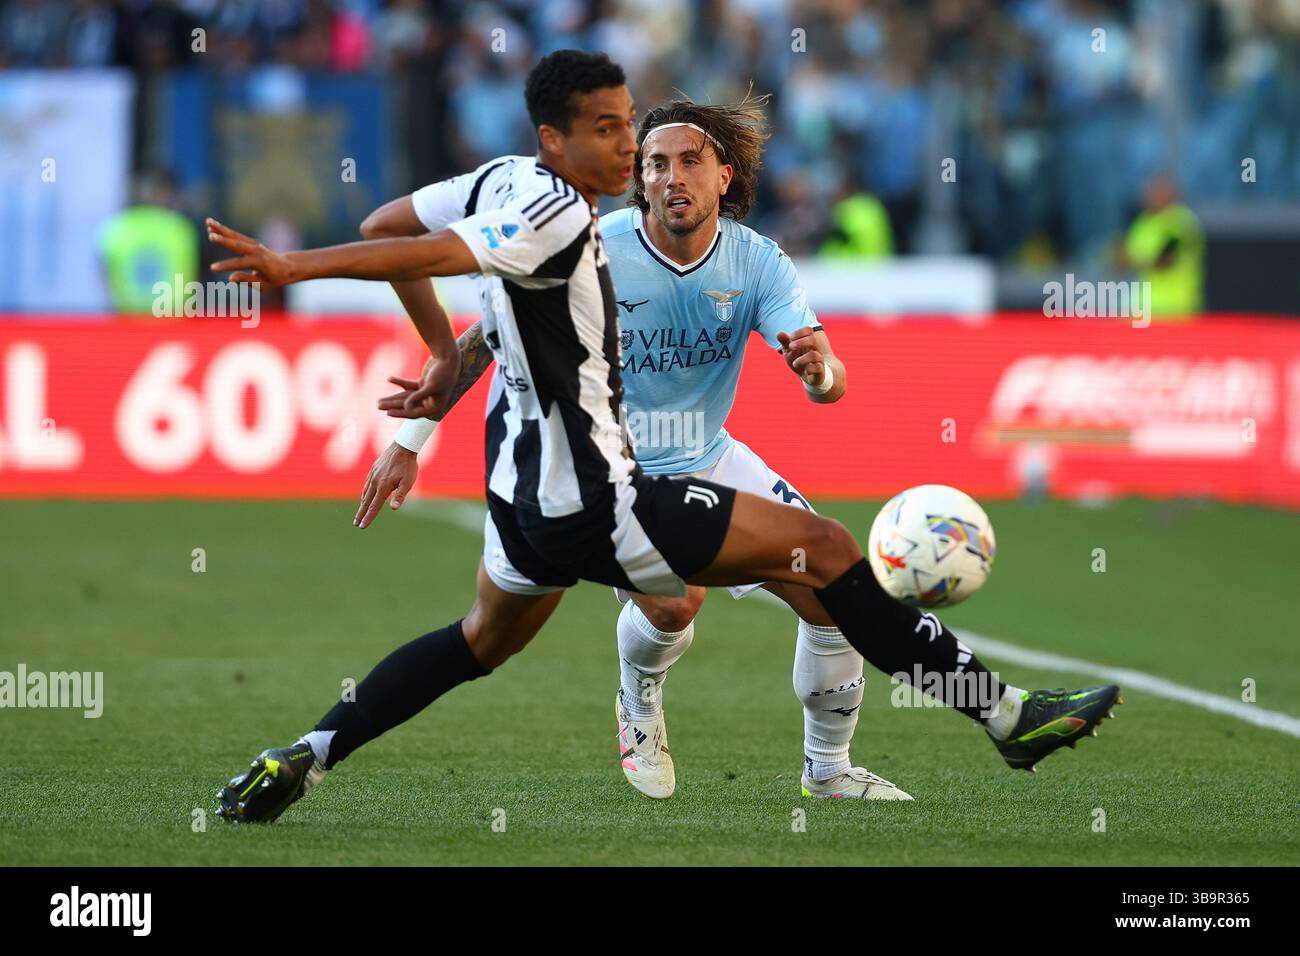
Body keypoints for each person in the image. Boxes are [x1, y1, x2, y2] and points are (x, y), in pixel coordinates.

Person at [206, 50, 1120, 824]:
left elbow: (390, 222)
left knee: (479, 640)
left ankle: (305, 755)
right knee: (830, 553)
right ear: (554, 144)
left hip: (520, 496)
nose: (630, 148)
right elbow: (427, 254)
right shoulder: (563, 216)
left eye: (629, 125)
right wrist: (294, 266)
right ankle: (1007, 718)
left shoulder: (496, 179)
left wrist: (440, 363)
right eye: (612, 133)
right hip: (602, 496)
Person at [359, 96, 909, 801]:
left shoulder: (759, 262)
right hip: (616, 472)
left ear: (725, 178)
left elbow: (827, 377)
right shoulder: (591, 249)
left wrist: (819, 373)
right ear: (638, 179)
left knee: (835, 596)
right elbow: (482, 343)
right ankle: (639, 699)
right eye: (655, 164)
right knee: (677, 606)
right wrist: (409, 441)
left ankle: (827, 771)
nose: (671, 177)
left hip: (710, 456)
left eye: (689, 162)